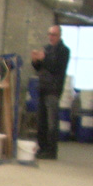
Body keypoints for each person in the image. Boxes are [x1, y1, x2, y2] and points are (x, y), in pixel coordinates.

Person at [30, 25, 70, 160]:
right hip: (42, 88)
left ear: (59, 36)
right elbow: (39, 68)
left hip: (53, 90)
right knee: (41, 122)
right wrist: (35, 60)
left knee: (52, 123)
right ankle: (42, 148)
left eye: (54, 35)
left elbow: (56, 67)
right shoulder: (46, 49)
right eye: (49, 34)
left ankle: (51, 151)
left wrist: (44, 59)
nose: (51, 37)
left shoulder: (64, 51)